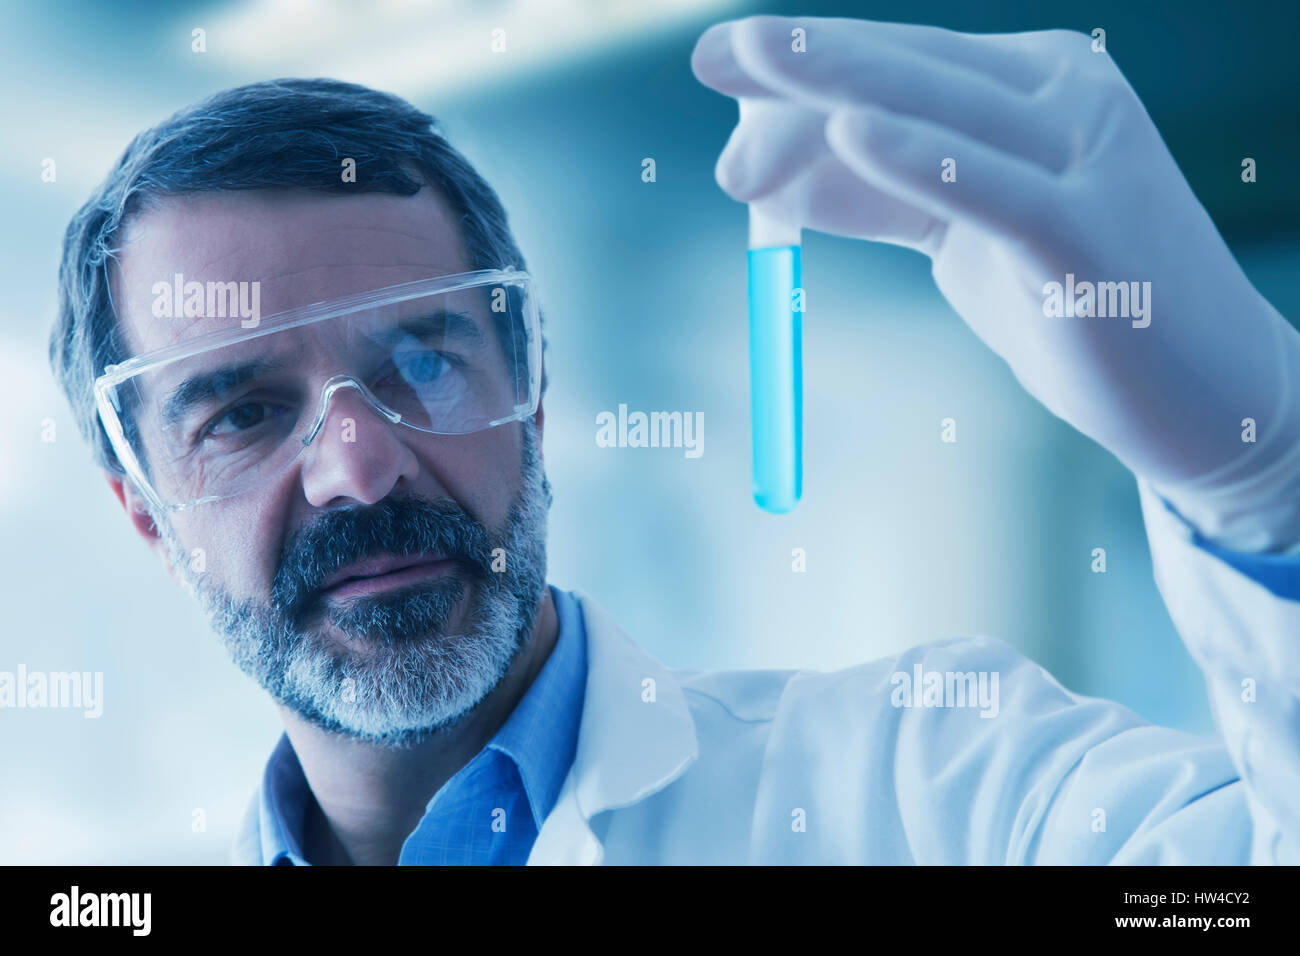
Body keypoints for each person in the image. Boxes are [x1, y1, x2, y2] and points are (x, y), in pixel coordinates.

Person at [48, 16, 1300, 865]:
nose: (359, 464)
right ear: (147, 508)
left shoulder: (935, 788)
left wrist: (1267, 488)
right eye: (247, 411)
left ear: (532, 393)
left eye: (423, 361)